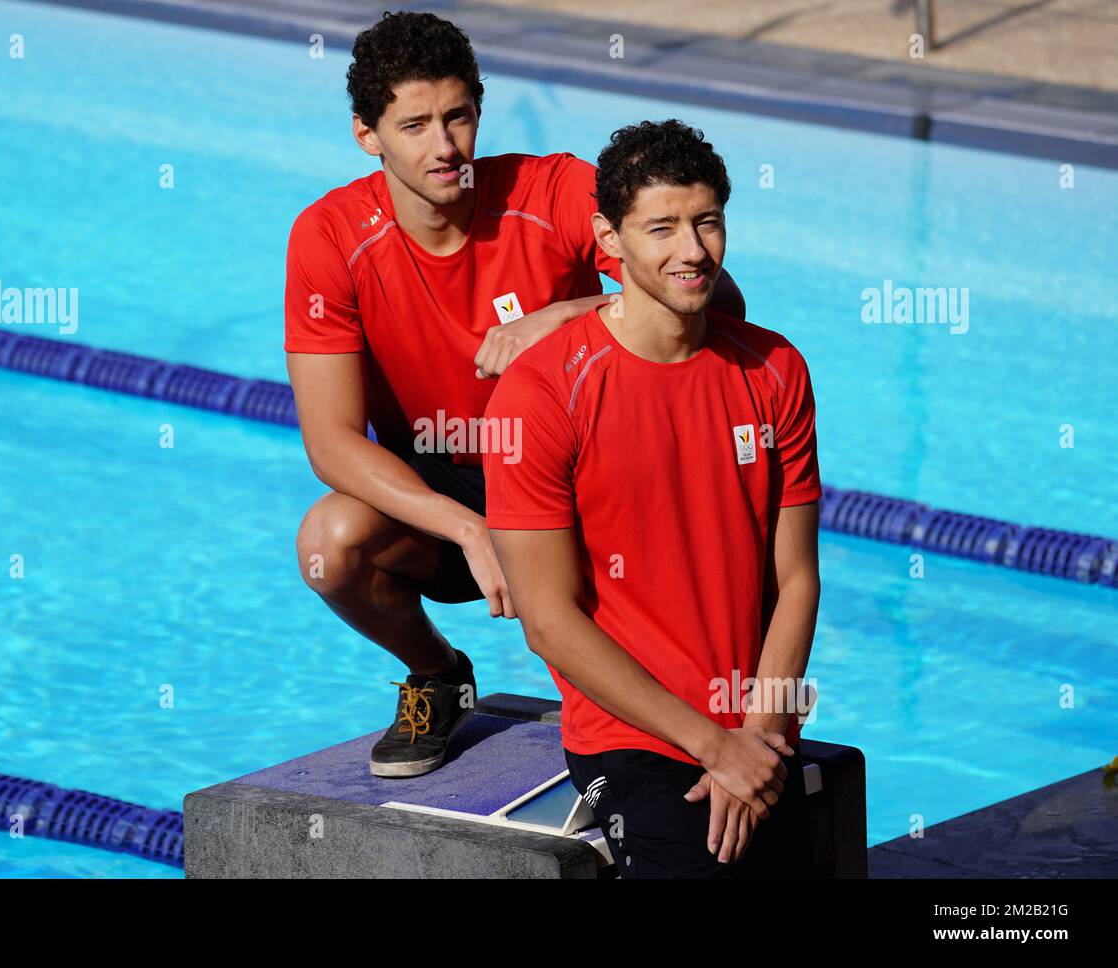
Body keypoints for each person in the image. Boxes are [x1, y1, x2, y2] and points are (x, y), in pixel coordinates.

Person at [285, 12, 749, 778]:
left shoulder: (553, 190)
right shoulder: (331, 238)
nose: (444, 147)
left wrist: (580, 310)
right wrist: (469, 528)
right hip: (444, 484)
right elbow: (331, 444)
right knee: (329, 547)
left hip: (577, 476)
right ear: (367, 135)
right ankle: (437, 675)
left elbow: (716, 299)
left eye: (459, 116)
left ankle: (666, 715)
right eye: (415, 125)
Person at [483, 119, 821, 877]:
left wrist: (759, 734)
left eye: (707, 222)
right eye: (662, 227)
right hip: (631, 737)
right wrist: (714, 747)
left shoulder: (775, 371)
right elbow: (548, 620)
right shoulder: (540, 396)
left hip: (755, 724)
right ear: (609, 237)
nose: (692, 250)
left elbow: (795, 578)